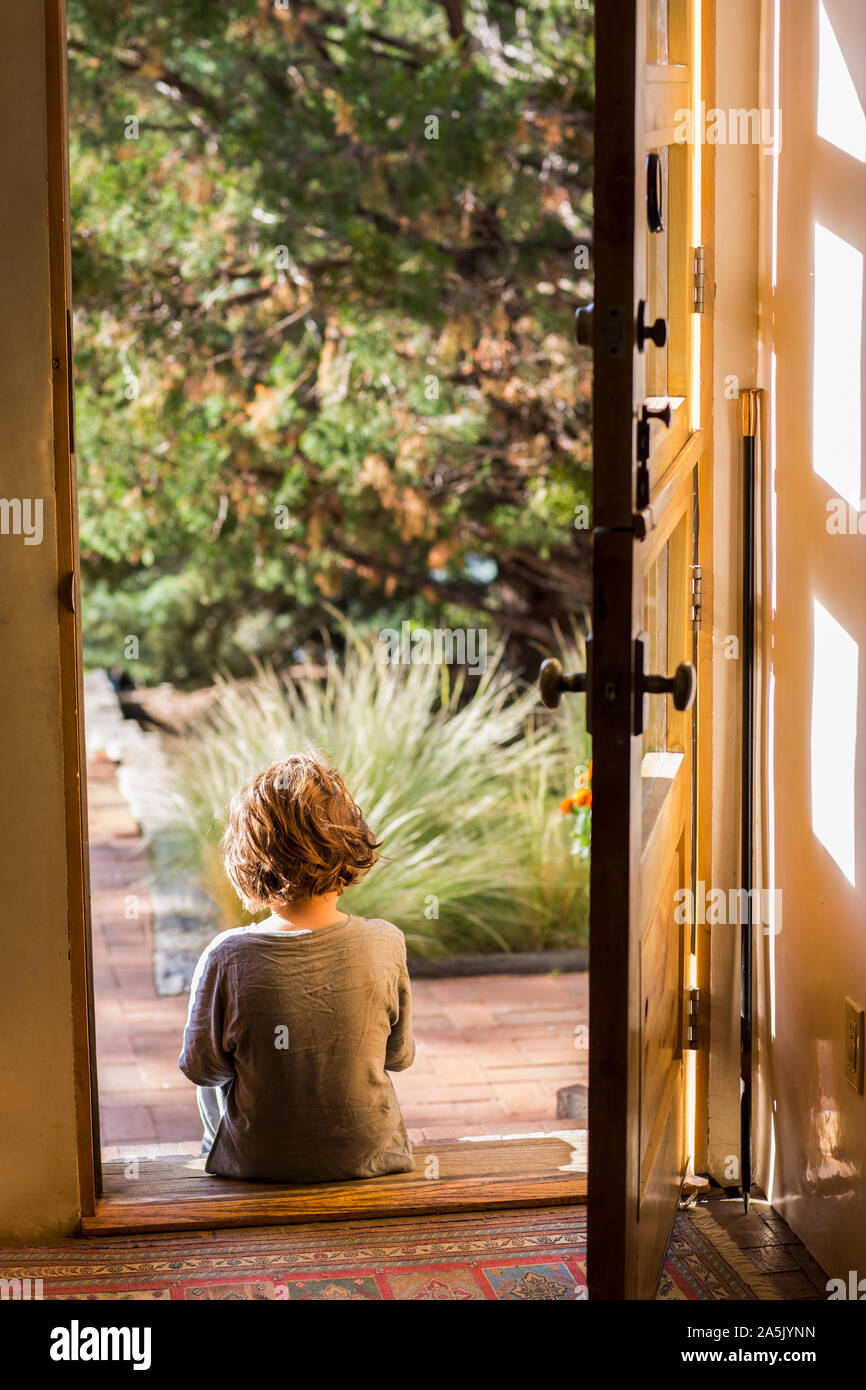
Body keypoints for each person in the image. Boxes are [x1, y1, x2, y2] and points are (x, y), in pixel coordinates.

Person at [178, 750, 415, 1183]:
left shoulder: (226, 955)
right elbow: (398, 1057)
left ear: (248, 858)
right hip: (371, 1159)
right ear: (352, 843)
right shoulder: (386, 941)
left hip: (256, 1164)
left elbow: (201, 1068)